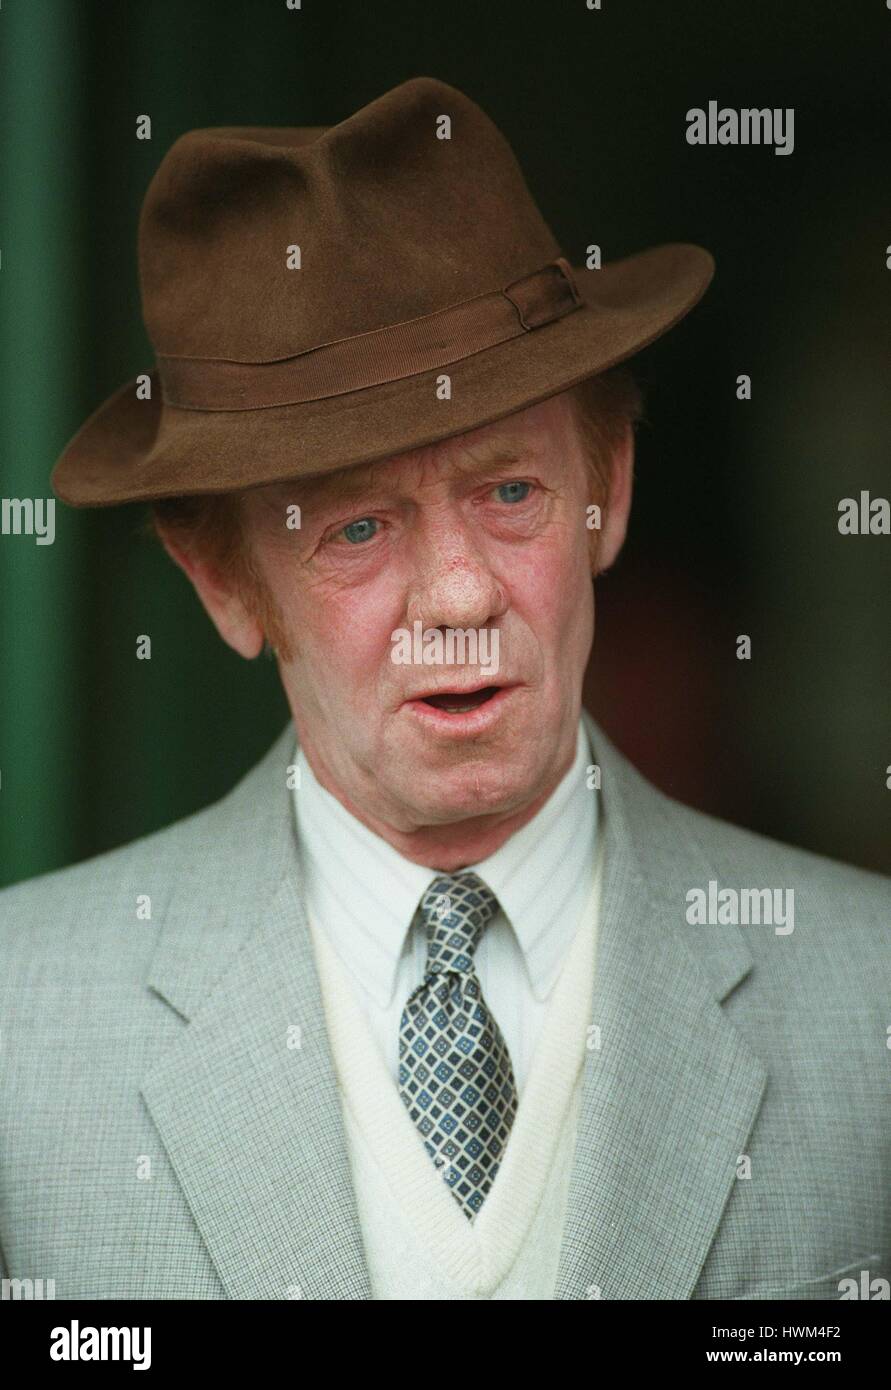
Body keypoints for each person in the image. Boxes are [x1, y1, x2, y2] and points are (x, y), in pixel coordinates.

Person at [1, 77, 888, 1302]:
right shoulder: (19, 1028)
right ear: (223, 579)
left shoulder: (868, 996)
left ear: (610, 488)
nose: (460, 593)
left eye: (511, 491)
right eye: (357, 527)